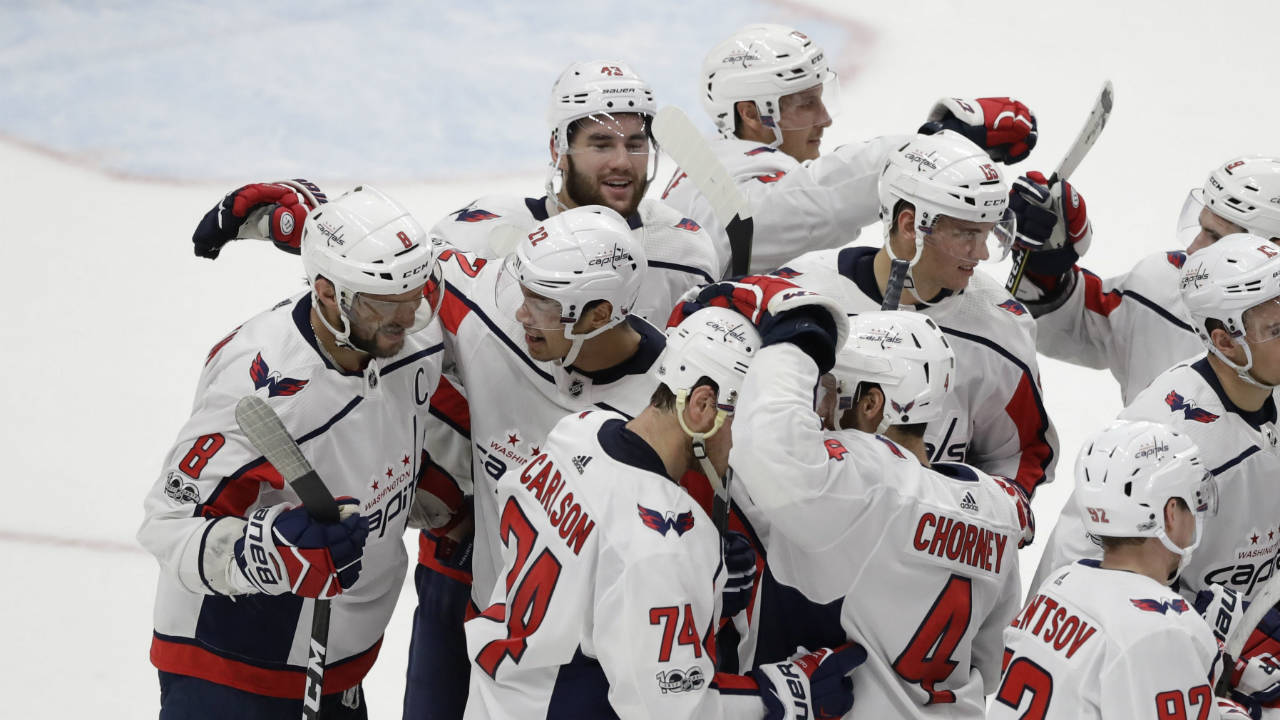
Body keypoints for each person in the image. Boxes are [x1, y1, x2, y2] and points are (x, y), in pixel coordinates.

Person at [464, 305, 865, 720]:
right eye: (751, 422)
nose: (760, 444)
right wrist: (784, 693)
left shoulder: (580, 429)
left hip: (496, 696)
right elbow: (675, 709)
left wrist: (691, 598)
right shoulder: (669, 542)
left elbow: (593, 569)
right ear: (703, 405)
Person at [139, 185, 445, 718]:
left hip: (335, 661)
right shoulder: (261, 389)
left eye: (415, 294)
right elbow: (167, 526)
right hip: (228, 665)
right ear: (328, 292)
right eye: (384, 303)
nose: (408, 316)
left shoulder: (404, 333)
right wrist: (268, 553)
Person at [727, 308, 1033, 717]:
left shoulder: (865, 475)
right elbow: (989, 664)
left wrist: (791, 342)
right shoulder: (997, 509)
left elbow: (769, 450)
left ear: (871, 404)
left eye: (835, 389)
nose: (823, 406)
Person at [1031, 234, 1280, 708]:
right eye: (1276, 328)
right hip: (1165, 674)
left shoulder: (1266, 381)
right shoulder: (1165, 444)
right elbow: (1078, 574)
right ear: (1226, 341)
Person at [775, 130, 1057, 499]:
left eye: (987, 233)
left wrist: (983, 522)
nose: (982, 253)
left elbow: (1021, 453)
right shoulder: (800, 293)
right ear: (910, 225)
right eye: (967, 234)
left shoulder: (1001, 328)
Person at [661, 23, 1038, 275]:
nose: (824, 118)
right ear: (752, 114)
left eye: (822, 99)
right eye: (806, 103)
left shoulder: (719, 168)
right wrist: (926, 153)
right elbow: (813, 205)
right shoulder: (721, 190)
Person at [989, 420, 1258, 720]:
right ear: (1170, 514)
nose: (1197, 513)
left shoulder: (1057, 586)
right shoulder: (1168, 629)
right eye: (1194, 500)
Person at [437, 60, 719, 326]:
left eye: (635, 145)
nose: (622, 162)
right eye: (602, 145)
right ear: (557, 150)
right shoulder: (480, 237)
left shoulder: (683, 250)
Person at [1009, 155, 1280, 404]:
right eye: (1200, 228)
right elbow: (1079, 326)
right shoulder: (1162, 283)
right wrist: (1045, 269)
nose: (1192, 249)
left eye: (1215, 237)